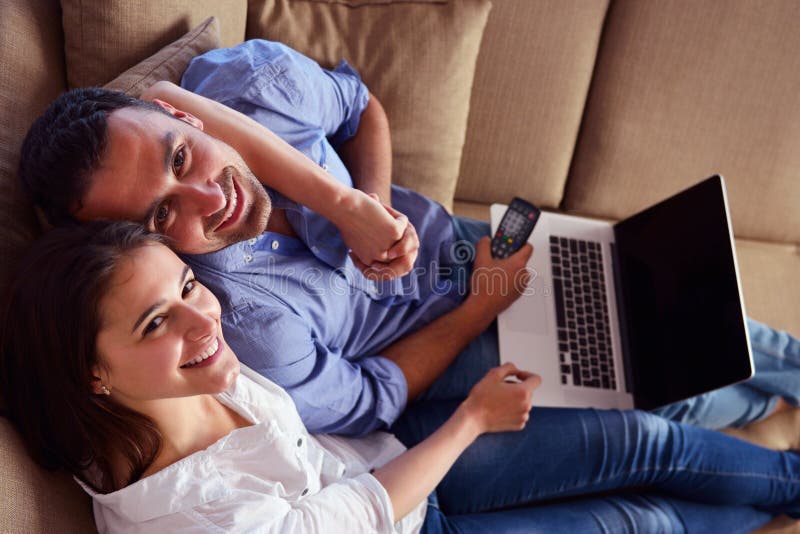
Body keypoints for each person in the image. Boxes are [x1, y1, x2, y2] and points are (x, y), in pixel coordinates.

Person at [17, 40, 800, 440]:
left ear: (181, 113)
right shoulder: (236, 324)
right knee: (670, 390)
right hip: (433, 350)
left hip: (449, 245)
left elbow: (360, 107)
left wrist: (371, 203)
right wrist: (481, 306)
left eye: (180, 158)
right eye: (161, 218)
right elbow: (369, 400)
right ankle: (762, 403)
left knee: (660, 284)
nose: (208, 199)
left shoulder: (252, 82)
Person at [3, 220, 800, 533]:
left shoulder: (198, 370)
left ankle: (786, 477)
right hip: (400, 518)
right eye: (155, 322)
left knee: (642, 438)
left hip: (392, 456)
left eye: (186, 286)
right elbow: (356, 516)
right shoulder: (184, 518)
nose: (203, 321)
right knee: (642, 522)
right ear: (91, 374)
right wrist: (472, 419)